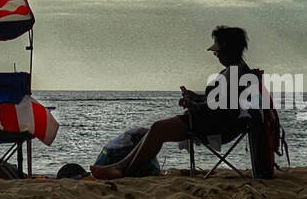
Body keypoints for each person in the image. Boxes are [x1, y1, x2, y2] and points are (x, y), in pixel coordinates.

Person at [90, 25, 255, 180]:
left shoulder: (236, 73)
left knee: (157, 129)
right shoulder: (235, 70)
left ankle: (123, 171)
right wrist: (196, 98)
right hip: (211, 121)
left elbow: (225, 106)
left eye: (218, 51)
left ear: (228, 49)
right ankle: (122, 167)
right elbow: (219, 101)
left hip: (213, 125)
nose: (215, 55)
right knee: (155, 130)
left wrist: (196, 106)